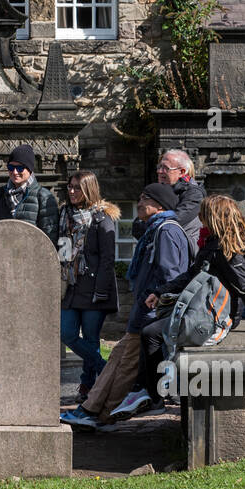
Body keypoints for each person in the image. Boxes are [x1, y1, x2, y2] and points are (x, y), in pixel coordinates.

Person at [113, 195, 245, 418]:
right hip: (204, 307)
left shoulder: (228, 252)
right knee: (152, 331)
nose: (199, 218)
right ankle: (150, 393)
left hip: (218, 316)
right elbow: (192, 274)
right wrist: (159, 292)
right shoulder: (212, 244)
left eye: (203, 214)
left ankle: (152, 395)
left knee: (152, 333)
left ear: (213, 217)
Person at [61, 183, 189, 430]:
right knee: (118, 363)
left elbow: (171, 276)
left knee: (124, 367)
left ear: (160, 205)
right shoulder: (156, 229)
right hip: (143, 315)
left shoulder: (167, 231)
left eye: (145, 199)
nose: (139, 204)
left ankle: (98, 413)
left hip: (150, 316)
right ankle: (92, 411)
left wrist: (154, 305)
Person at [59, 171, 121, 402]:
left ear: (89, 189)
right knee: (67, 333)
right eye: (70, 187)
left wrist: (101, 290)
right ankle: (107, 369)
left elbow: (107, 258)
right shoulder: (64, 214)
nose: (72, 191)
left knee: (92, 339)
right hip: (71, 286)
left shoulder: (102, 218)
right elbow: (62, 248)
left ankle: (88, 386)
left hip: (95, 287)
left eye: (77, 187)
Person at [0, 143, 59, 246]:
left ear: (29, 169)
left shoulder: (43, 196)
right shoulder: (0, 195)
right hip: (4, 256)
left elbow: (49, 238)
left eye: (20, 168)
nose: (15, 172)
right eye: (11, 167)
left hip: (32, 257)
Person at [156, 148, 204, 245]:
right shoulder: (158, 192)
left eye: (165, 168)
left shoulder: (193, 193)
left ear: (182, 172)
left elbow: (173, 222)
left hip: (181, 254)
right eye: (159, 167)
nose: (159, 171)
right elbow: (138, 224)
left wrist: (152, 219)